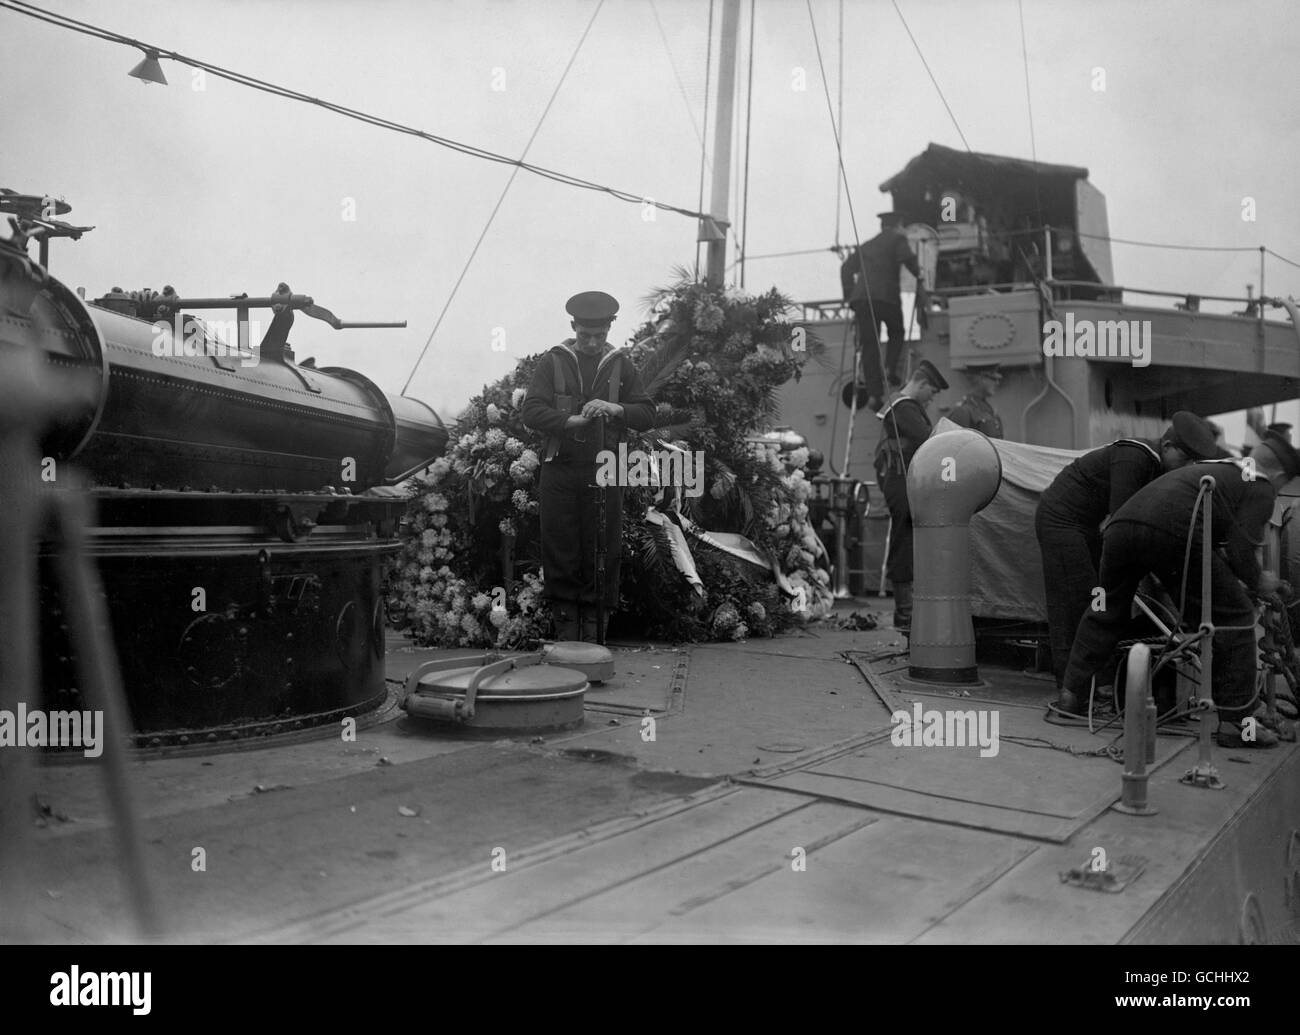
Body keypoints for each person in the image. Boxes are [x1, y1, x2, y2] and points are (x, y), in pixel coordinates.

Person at [1059, 431, 1300, 747]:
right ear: (1281, 474)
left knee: (1105, 607)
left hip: (1120, 529)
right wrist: (1260, 582)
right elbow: (1241, 549)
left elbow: (1222, 544)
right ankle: (1238, 727)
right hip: (1174, 531)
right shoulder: (1261, 484)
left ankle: (1070, 696)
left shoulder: (1218, 470)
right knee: (1237, 615)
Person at [1036, 412, 1224, 709]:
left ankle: (1092, 685)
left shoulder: (1157, 467)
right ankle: (1071, 691)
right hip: (1061, 520)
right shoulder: (1135, 456)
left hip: (1089, 527)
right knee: (1077, 602)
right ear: (1167, 445)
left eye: (1193, 462)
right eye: (1184, 457)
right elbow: (1119, 522)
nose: (1187, 467)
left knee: (1099, 600)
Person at [520, 291, 656, 643]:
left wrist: (616, 410)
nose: (593, 343)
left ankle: (596, 634)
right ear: (573, 327)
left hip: (606, 468)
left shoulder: (621, 363)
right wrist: (570, 421)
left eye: (600, 335)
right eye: (585, 336)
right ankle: (567, 633)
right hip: (560, 467)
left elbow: (647, 413)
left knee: (602, 546)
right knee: (560, 546)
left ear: (610, 328)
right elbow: (531, 411)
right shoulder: (553, 361)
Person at [874, 359, 948, 636]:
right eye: (932, 391)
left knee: (907, 540)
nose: (932, 398)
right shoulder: (903, 408)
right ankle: (905, 614)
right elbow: (928, 437)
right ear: (921, 383)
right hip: (902, 483)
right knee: (904, 542)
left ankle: (908, 611)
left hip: (903, 481)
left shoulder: (903, 407)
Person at [840, 212, 923, 411]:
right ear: (899, 225)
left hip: (862, 299)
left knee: (870, 344)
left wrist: (849, 295)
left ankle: (874, 394)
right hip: (886, 297)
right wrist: (919, 275)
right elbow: (906, 257)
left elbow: (846, 268)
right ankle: (889, 368)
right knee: (897, 332)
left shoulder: (867, 244)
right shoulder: (897, 239)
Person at [947, 363, 1004, 438]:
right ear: (981, 378)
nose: (997, 383)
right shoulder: (962, 412)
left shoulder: (990, 410)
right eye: (993, 379)